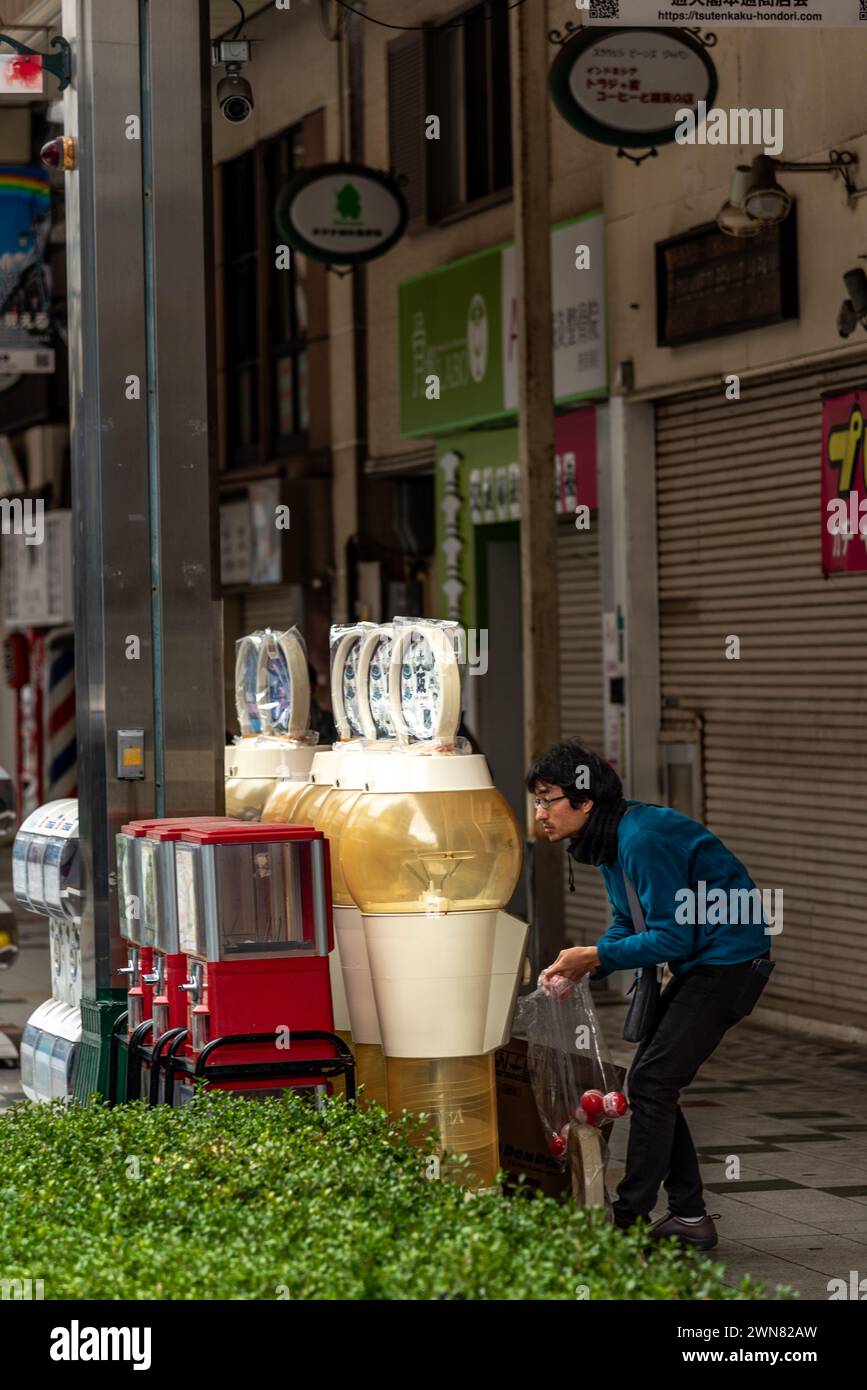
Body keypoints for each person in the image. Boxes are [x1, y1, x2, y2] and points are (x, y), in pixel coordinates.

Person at [526, 742, 774, 1251]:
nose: (539, 814)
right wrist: (585, 967)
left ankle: (629, 1216)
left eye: (548, 800)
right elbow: (627, 921)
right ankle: (688, 1216)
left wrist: (592, 957)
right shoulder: (612, 839)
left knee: (653, 1082)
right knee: (651, 1084)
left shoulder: (642, 838)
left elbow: (671, 938)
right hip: (703, 960)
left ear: (585, 800)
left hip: (728, 962)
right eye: (536, 801)